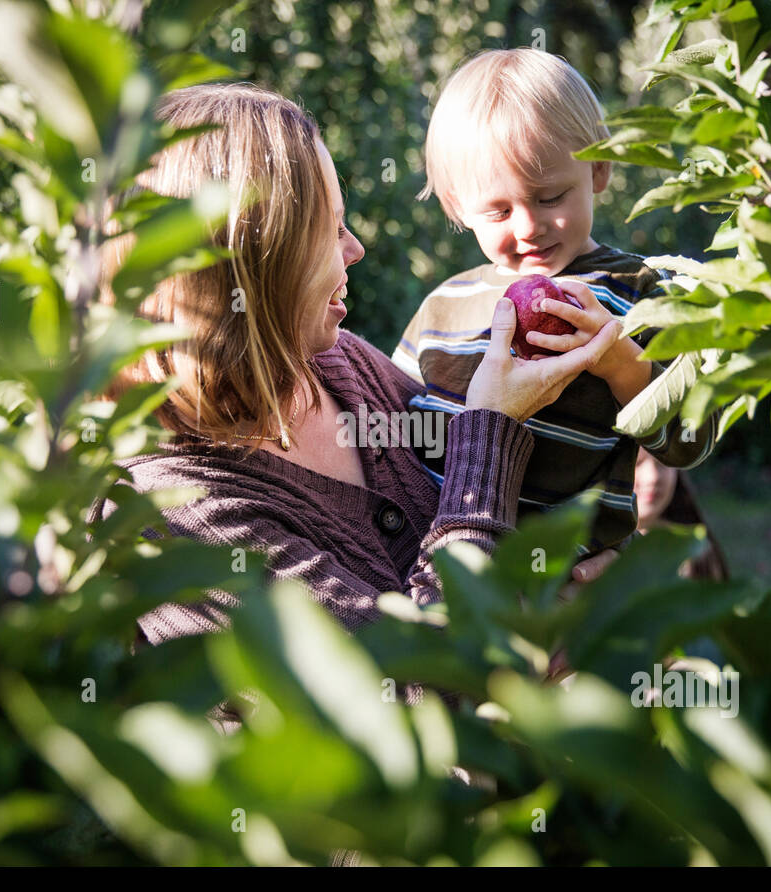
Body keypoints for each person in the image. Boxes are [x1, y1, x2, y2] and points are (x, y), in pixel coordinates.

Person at [90, 83, 626, 645]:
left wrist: (597, 555)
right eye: (330, 229)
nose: (355, 250)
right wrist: (492, 425)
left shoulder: (340, 366)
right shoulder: (174, 516)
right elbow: (414, 689)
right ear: (255, 263)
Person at [394, 48, 715, 561]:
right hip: (458, 565)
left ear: (599, 171)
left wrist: (617, 361)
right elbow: (394, 422)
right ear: (458, 206)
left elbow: (691, 440)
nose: (528, 228)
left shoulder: (636, 292)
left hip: (572, 573)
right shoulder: (445, 306)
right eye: (498, 210)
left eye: (550, 198)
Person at [634, 447, 729, 581]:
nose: (653, 477)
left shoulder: (695, 550)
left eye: (664, 462)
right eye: (636, 462)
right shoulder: (599, 554)